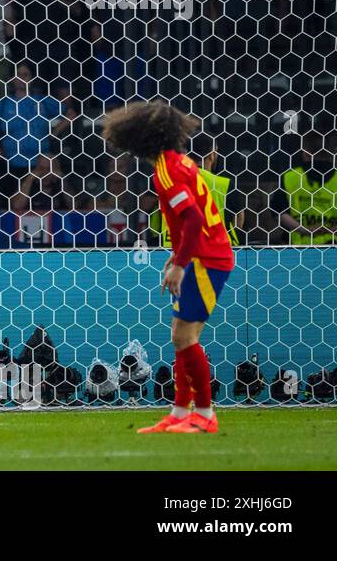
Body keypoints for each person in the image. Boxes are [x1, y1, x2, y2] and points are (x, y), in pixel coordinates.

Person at [102, 101, 236, 435]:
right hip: (202, 255)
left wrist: (179, 263)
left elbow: (192, 217)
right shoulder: (176, 163)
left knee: (184, 337)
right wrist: (178, 254)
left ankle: (204, 415)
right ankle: (179, 414)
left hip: (207, 259)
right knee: (181, 338)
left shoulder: (168, 170)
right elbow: (190, 219)